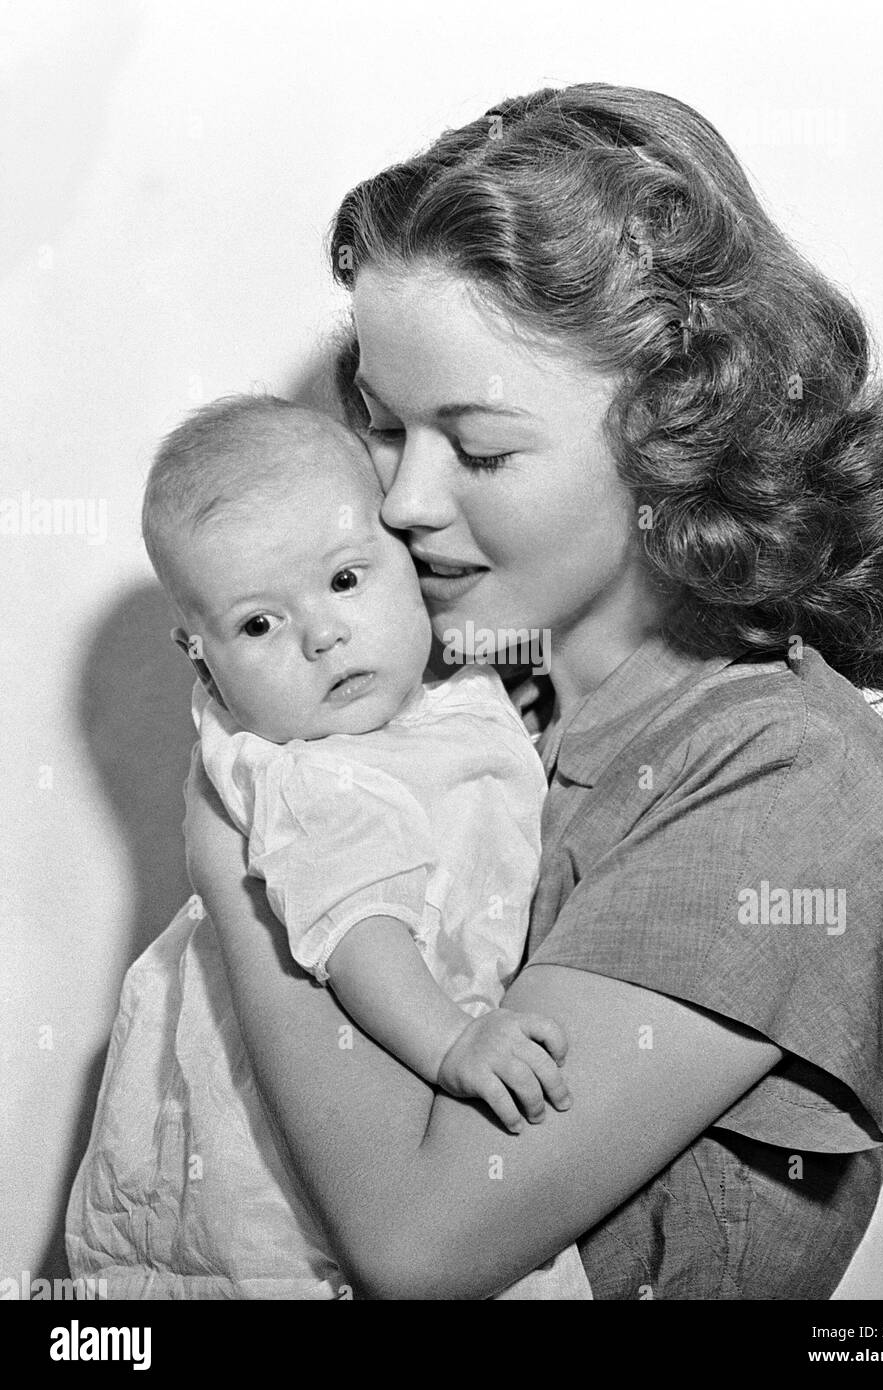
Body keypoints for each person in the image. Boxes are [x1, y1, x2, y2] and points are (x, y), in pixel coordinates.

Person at [88, 81, 883, 1300]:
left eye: (483, 447)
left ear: (677, 433)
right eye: (387, 430)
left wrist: (243, 847)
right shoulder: (479, 688)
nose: (402, 501)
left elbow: (422, 1243)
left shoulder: (800, 795)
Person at [65, 395, 593, 1298]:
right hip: (289, 1183)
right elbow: (361, 939)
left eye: (347, 580)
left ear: (407, 563)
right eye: (259, 625)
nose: (321, 634)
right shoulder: (311, 778)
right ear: (204, 664)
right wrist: (452, 1043)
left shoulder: (436, 706)